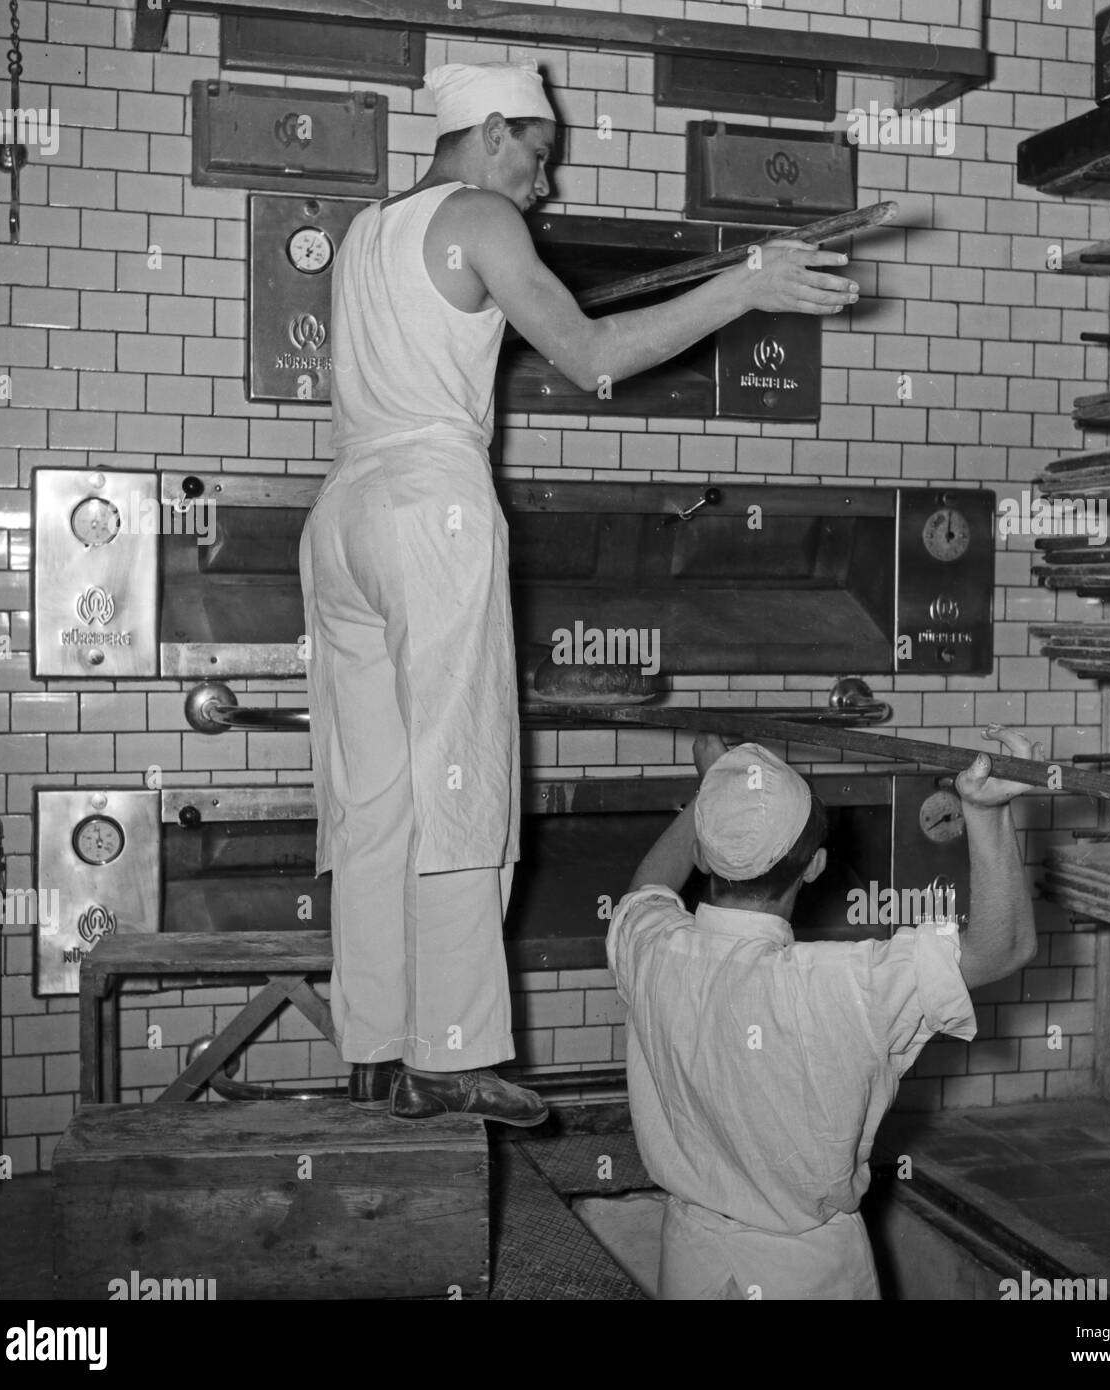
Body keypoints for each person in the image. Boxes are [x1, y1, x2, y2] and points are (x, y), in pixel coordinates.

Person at [299, 59, 862, 1126]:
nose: (544, 185)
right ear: (491, 132)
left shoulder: (368, 230)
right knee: (459, 779)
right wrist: (743, 285)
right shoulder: (477, 215)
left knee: (373, 802)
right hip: (430, 502)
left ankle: (372, 1044)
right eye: (538, 155)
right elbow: (596, 355)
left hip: (342, 519)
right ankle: (451, 1050)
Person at [607, 725, 1039, 1298]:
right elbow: (1002, 948)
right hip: (806, 1273)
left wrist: (716, 786)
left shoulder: (654, 949)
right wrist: (984, 812)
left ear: (700, 853)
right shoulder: (841, 984)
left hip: (691, 1260)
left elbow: (648, 887)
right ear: (815, 867)